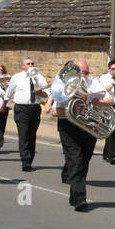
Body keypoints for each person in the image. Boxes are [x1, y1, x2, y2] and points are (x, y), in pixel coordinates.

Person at [46, 58, 102, 210]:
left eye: (86, 72)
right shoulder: (64, 86)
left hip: (88, 127)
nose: (84, 76)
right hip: (69, 126)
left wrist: (98, 101)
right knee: (76, 160)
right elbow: (55, 111)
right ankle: (80, 199)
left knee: (84, 161)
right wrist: (74, 110)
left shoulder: (93, 83)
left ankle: (74, 194)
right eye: (81, 73)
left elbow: (109, 98)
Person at [3, 57, 46, 172]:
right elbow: (9, 93)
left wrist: (40, 91)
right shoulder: (17, 77)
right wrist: (4, 106)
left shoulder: (39, 77)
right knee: (24, 134)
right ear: (23, 66)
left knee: (32, 134)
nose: (31, 65)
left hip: (35, 108)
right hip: (22, 108)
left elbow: (46, 94)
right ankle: (25, 160)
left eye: (32, 63)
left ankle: (30, 159)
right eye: (28, 63)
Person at [99, 59, 115, 164]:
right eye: (113, 69)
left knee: (114, 130)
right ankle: (111, 155)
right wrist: (113, 84)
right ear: (109, 69)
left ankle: (107, 153)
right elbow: (102, 91)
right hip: (108, 106)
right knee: (109, 129)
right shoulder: (103, 78)